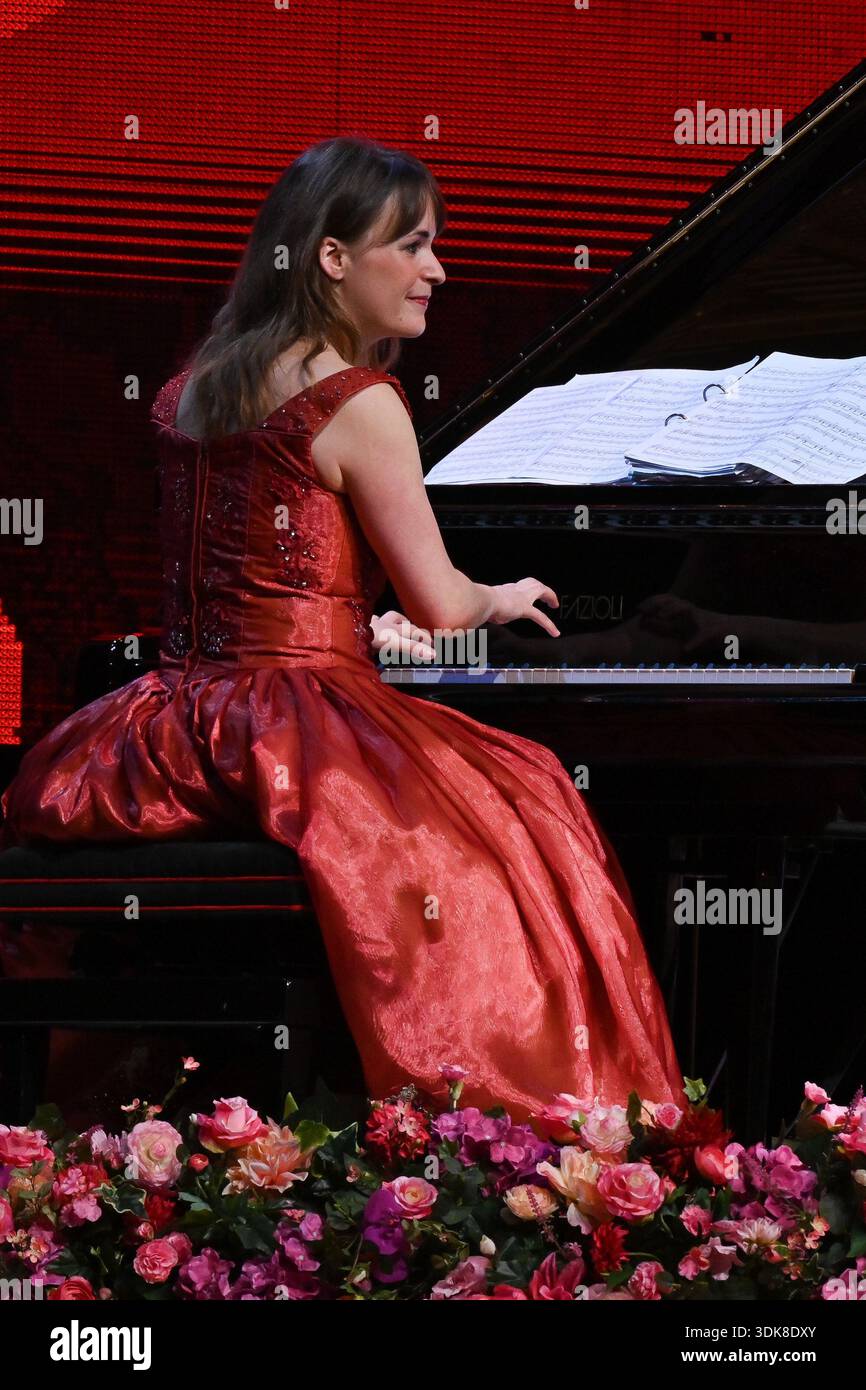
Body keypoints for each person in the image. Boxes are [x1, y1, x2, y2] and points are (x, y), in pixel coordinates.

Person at [0, 136, 682, 1122]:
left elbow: (267, 583)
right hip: (283, 727)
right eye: (409, 246)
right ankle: (507, 1127)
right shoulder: (359, 401)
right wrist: (492, 596)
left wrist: (358, 628)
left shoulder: (196, 386)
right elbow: (444, 603)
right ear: (329, 256)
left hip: (160, 726)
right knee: (524, 803)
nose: (434, 271)